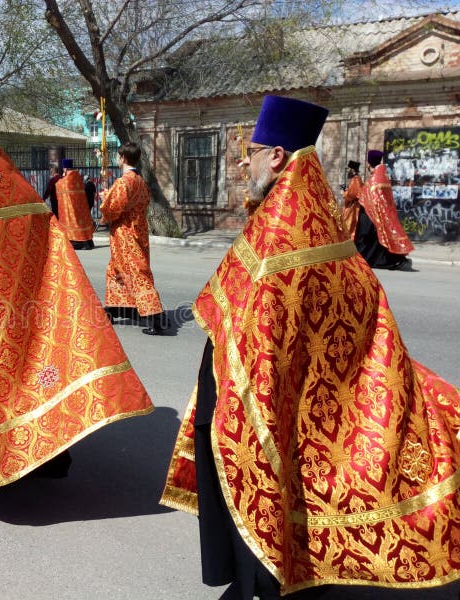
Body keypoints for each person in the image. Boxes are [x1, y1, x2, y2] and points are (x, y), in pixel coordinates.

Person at [160, 95, 460, 599]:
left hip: (267, 390)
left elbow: (251, 314)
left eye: (251, 151)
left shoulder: (283, 227)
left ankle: (272, 576)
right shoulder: (313, 209)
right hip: (306, 388)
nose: (242, 163)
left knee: (268, 488)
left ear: (277, 156)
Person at [0, 103, 153, 488]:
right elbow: (53, 256)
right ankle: (44, 452)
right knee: (30, 368)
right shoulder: (22, 194)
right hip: (25, 310)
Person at [99, 143, 166, 335]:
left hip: (125, 234)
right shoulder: (140, 181)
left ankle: (157, 318)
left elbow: (113, 209)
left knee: (137, 273)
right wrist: (109, 197)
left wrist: (105, 202)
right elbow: (130, 203)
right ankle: (119, 307)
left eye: (118, 157)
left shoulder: (124, 182)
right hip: (139, 231)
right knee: (116, 270)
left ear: (122, 158)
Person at [355, 149, 414, 270]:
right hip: (382, 213)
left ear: (369, 163)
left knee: (366, 239)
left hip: (371, 215)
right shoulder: (383, 176)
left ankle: (366, 260)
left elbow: (368, 198)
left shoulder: (374, 180)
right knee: (378, 241)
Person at [56, 158, 95, 250]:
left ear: (65, 168)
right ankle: (88, 242)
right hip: (81, 206)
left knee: (74, 224)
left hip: (71, 207)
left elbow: (59, 185)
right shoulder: (77, 177)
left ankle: (79, 243)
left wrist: (62, 178)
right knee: (81, 224)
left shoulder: (68, 178)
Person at [340, 159, 362, 239]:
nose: (347, 171)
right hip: (351, 207)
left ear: (352, 169)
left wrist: (343, 193)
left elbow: (352, 194)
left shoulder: (355, 179)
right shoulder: (355, 179)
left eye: (348, 169)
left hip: (353, 209)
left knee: (349, 228)